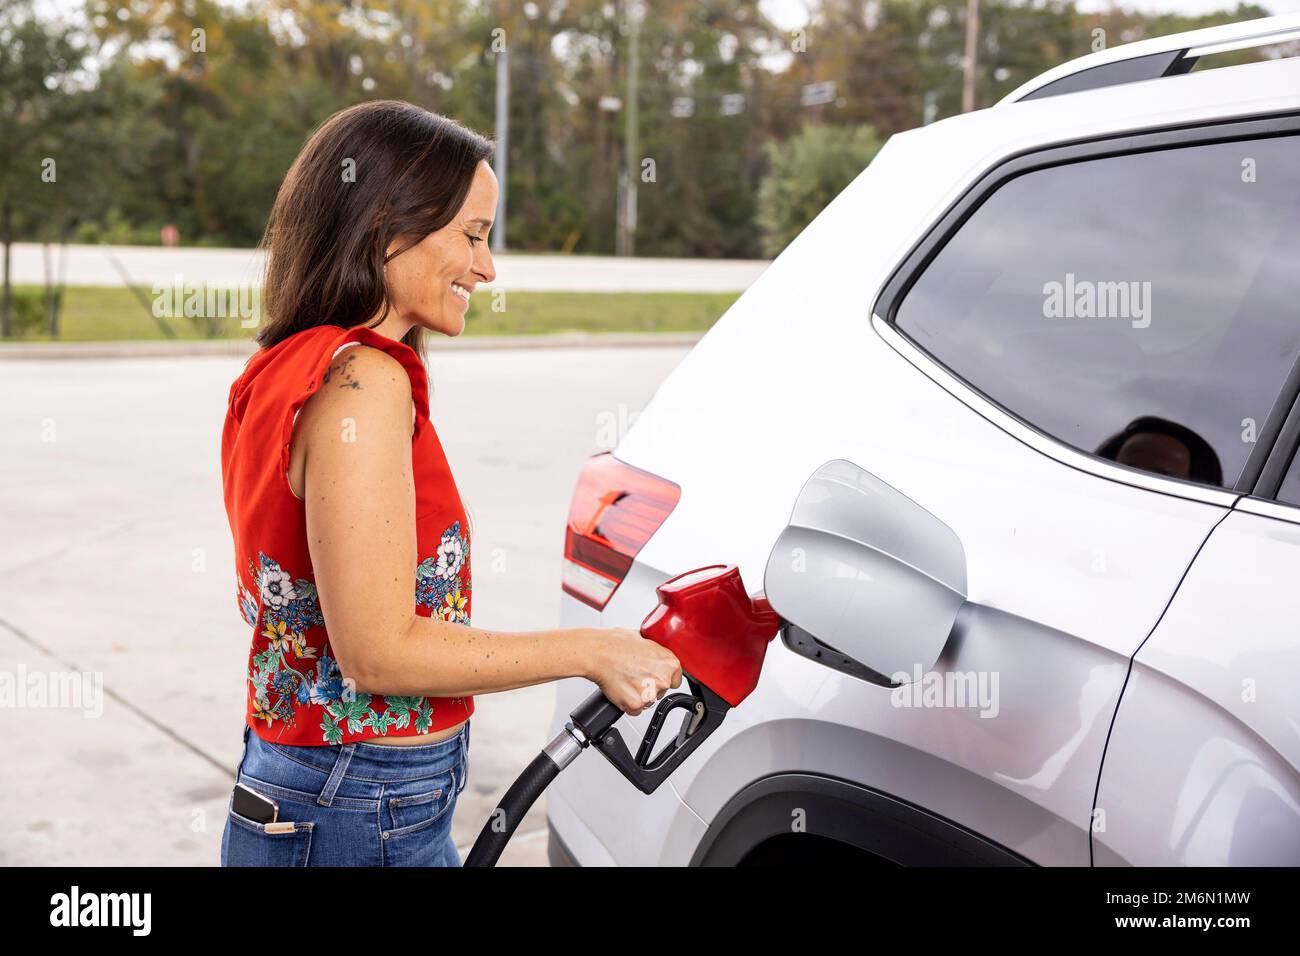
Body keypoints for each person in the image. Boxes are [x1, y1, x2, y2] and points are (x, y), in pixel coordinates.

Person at [218, 101, 681, 866]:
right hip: (357, 801)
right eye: (471, 234)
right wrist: (593, 650)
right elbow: (377, 654)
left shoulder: (292, 365)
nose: (487, 267)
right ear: (385, 225)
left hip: (335, 791)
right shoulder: (361, 382)